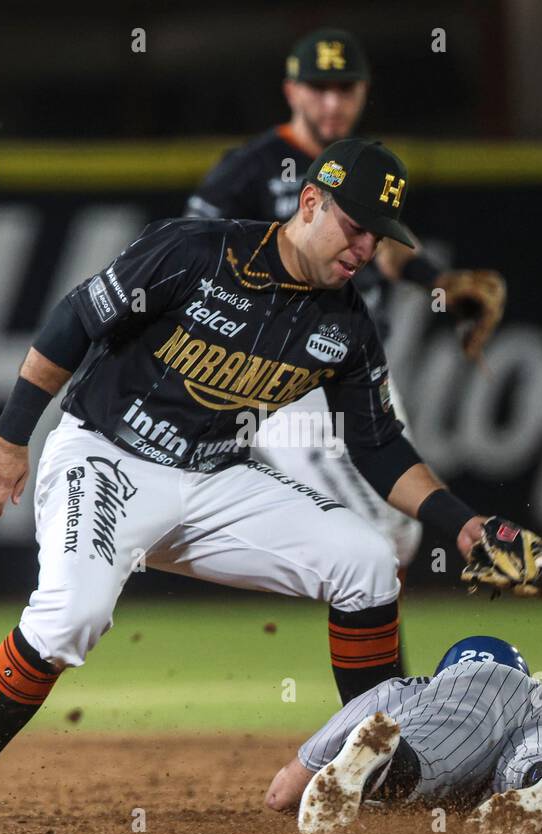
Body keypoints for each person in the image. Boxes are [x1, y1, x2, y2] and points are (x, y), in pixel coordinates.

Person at [0, 139, 542, 830]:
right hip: (107, 457)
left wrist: (467, 529)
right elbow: (75, 320)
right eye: (353, 228)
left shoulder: (345, 322)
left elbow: (377, 443)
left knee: (367, 560)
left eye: (375, 237)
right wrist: (11, 437)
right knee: (72, 615)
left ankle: (375, 758)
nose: (362, 250)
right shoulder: (196, 252)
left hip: (216, 479)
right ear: (311, 202)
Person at [185, 28, 507, 631]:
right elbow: (198, 258)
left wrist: (440, 282)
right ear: (291, 90)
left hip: (357, 366)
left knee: (404, 532)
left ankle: (377, 686)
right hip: (289, 384)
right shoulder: (247, 170)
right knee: (376, 531)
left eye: (345, 89)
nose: (332, 104)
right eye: (318, 88)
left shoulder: (364, 169)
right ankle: (380, 703)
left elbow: (385, 251)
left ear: (363, 92)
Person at [264, 635, 542, 834]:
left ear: (441, 675)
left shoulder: (411, 689)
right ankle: (541, 774)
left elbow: (281, 794)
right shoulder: (541, 691)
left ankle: (390, 764)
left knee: (431, 758)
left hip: (465, 699)